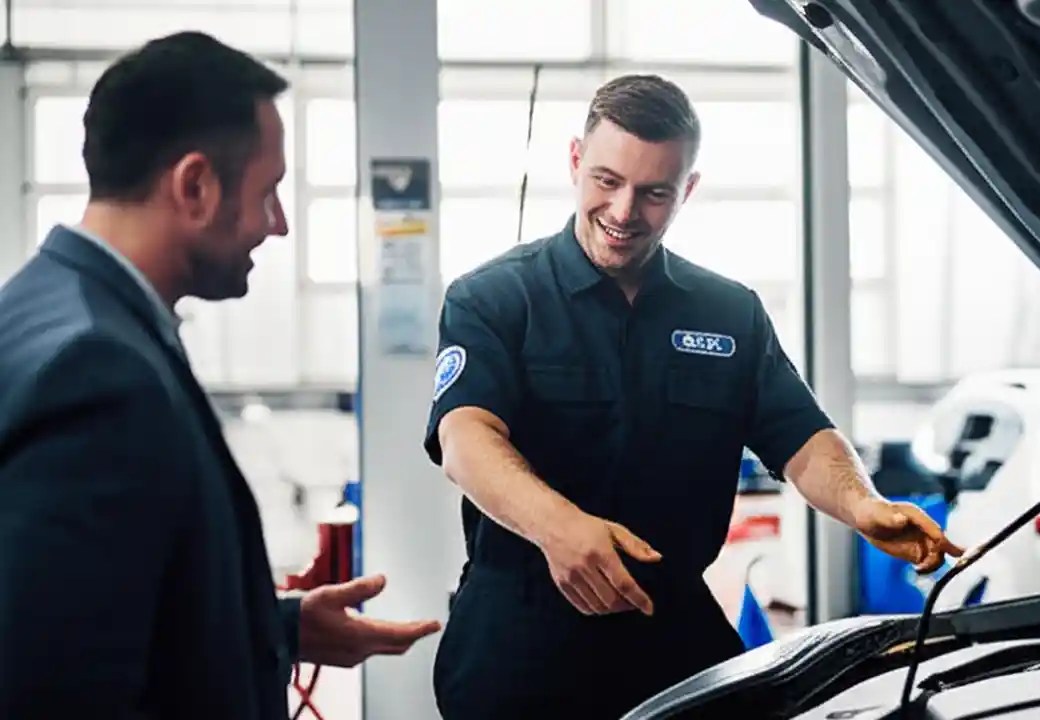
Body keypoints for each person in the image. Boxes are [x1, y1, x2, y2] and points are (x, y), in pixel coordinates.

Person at [424, 74, 964, 719]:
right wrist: (562, 530)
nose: (624, 212)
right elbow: (465, 439)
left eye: (654, 193)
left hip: (672, 634)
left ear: (688, 190)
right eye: (606, 181)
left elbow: (800, 435)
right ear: (574, 160)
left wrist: (864, 505)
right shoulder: (493, 299)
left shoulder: (729, 312)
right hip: (518, 641)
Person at [0, 32, 439, 718]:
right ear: (196, 186)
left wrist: (280, 626)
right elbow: (58, 685)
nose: (280, 224)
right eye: (269, 192)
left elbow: (110, 604)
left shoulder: (48, 312)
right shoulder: (95, 374)